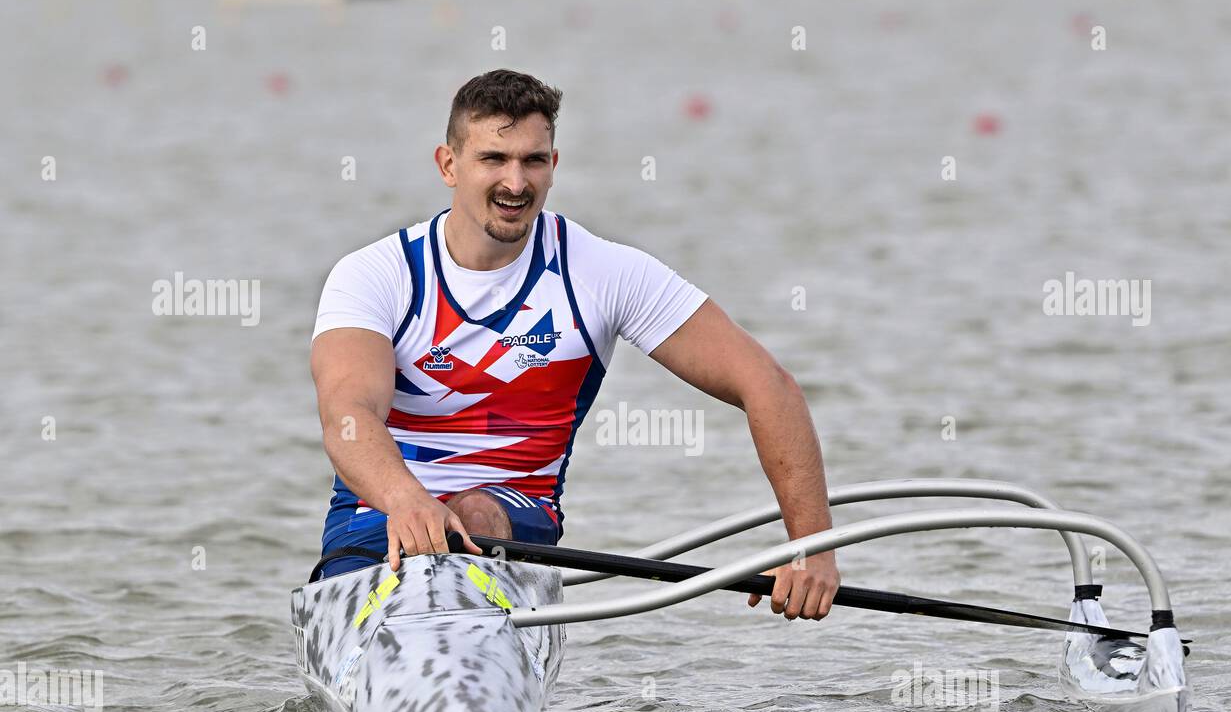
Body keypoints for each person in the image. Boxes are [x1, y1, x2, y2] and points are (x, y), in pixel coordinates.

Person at [309, 69, 839, 619]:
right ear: (448, 164)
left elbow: (767, 385)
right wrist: (405, 499)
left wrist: (810, 547)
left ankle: (467, 646)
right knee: (422, 523)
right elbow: (347, 412)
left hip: (516, 521)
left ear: (554, 166)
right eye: (494, 159)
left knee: (476, 515)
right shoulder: (375, 274)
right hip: (377, 513)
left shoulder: (601, 273)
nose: (516, 183)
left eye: (533, 161)